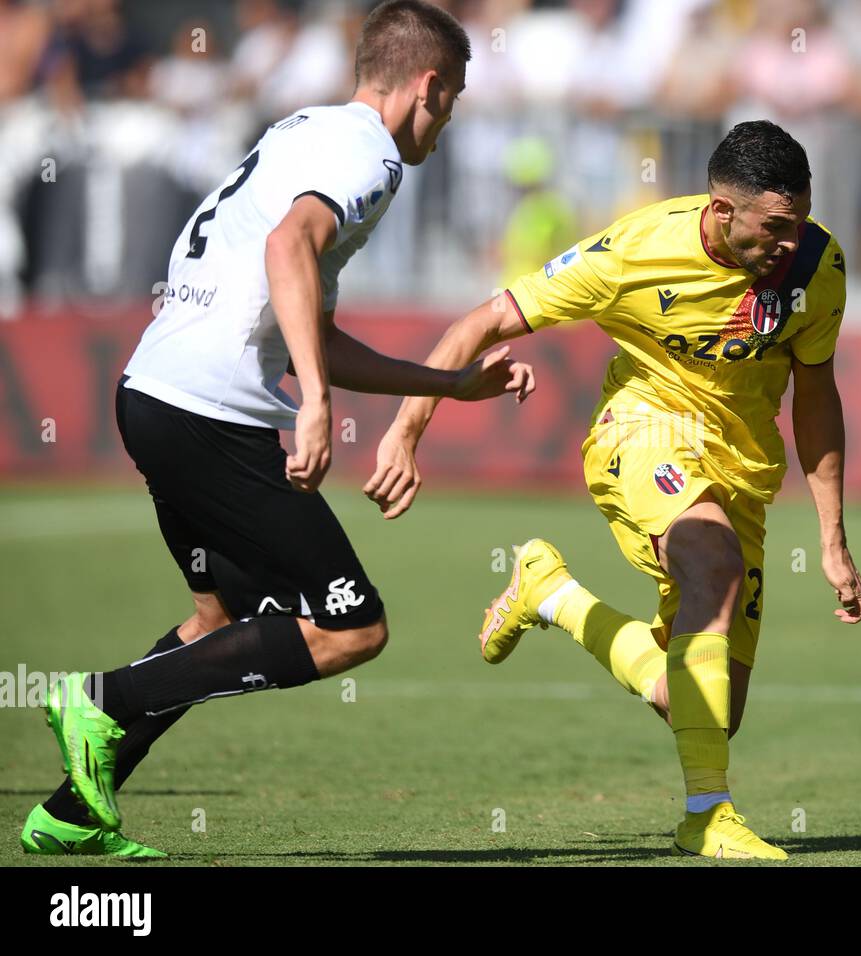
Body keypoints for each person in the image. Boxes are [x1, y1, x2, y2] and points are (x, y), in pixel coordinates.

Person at [21, 0, 534, 858]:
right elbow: (289, 248)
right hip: (209, 412)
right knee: (353, 627)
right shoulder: (371, 154)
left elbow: (312, 329)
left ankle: (70, 815)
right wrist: (323, 408)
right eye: (454, 99)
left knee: (217, 620)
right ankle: (102, 698)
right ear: (430, 86)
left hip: (155, 393)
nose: (449, 122)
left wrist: (446, 382)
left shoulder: (306, 132)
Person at [366, 120, 861, 860]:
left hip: (745, 468)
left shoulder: (817, 267)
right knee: (713, 561)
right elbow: (485, 319)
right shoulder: (635, 252)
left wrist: (832, 539)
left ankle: (553, 595)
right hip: (643, 432)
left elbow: (816, 394)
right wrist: (406, 432)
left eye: (798, 221)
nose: (789, 243)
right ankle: (708, 812)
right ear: (721, 211)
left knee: (705, 707)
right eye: (775, 227)